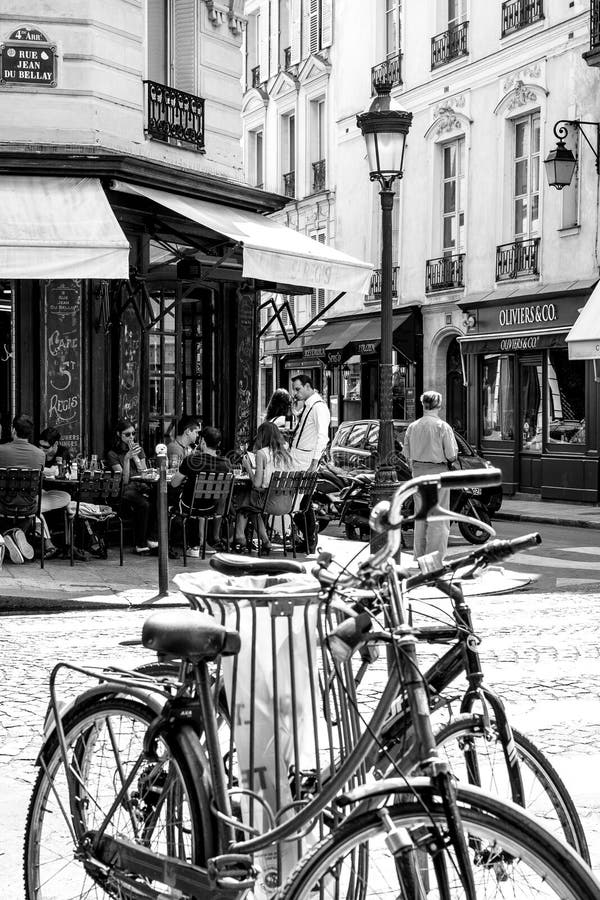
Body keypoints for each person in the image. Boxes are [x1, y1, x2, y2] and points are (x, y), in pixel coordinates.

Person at [0, 414, 73, 560]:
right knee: (64, 497)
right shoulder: (40, 455)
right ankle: (17, 536)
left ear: (13, 431)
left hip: (3, 505)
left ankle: (10, 536)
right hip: (29, 507)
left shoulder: (1, 450)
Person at [402, 390, 459, 563]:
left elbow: (406, 453)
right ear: (439, 406)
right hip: (437, 473)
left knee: (421, 516)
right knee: (438, 518)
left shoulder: (413, 426)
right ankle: (434, 560)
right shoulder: (442, 426)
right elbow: (451, 455)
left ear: (423, 405)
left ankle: (420, 556)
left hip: (418, 473)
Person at [170, 426, 231, 556]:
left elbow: (174, 483)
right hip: (211, 508)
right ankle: (196, 544)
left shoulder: (191, 460)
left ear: (202, 441)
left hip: (189, 506)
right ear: (218, 443)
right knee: (194, 500)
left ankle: (157, 540)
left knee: (174, 496)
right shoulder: (226, 464)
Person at [234, 421, 293, 554]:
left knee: (245, 499)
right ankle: (264, 541)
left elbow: (256, 483)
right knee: (250, 504)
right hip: (287, 503)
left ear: (262, 436)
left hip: (269, 502)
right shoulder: (286, 453)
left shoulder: (262, 453)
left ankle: (240, 537)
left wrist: (247, 466)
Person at [289, 374, 330, 553]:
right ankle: (307, 540)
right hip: (299, 459)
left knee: (302, 502)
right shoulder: (309, 406)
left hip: (305, 461)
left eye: (298, 389)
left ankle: (310, 541)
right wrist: (296, 413)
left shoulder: (318, 407)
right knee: (299, 502)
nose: (295, 393)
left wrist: (314, 463)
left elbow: (322, 437)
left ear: (307, 386)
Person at [106, 418, 157, 555]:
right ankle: (140, 544)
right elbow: (124, 480)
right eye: (127, 434)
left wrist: (138, 459)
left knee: (159, 497)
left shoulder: (138, 449)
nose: (131, 437)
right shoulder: (113, 454)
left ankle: (152, 538)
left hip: (141, 485)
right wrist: (127, 458)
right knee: (144, 504)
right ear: (118, 434)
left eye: (133, 434)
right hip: (125, 490)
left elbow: (144, 473)